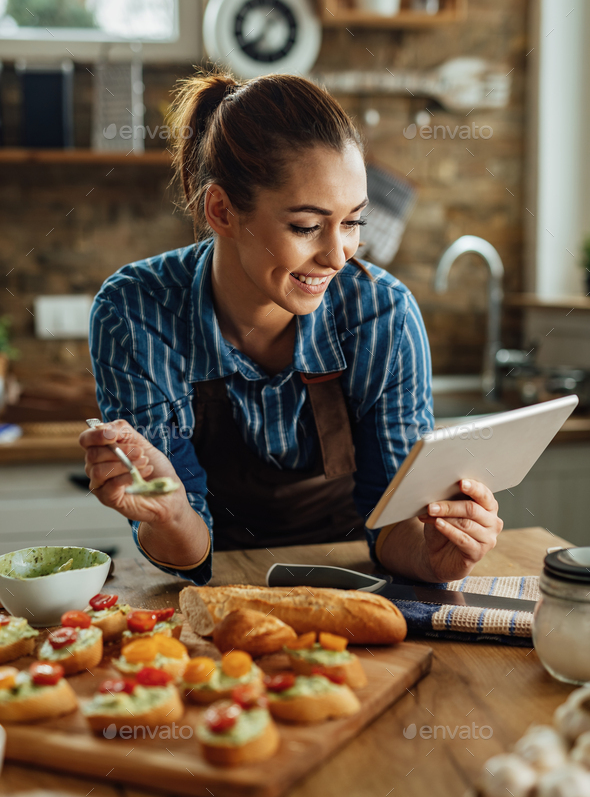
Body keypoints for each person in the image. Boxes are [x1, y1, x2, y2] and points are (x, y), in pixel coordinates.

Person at [79, 69, 503, 585]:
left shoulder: (383, 316)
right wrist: (166, 510)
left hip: (354, 583)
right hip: (213, 588)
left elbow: (394, 525)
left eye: (352, 223)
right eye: (306, 227)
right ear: (222, 211)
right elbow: (183, 546)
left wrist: (437, 555)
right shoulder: (136, 314)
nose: (336, 255)